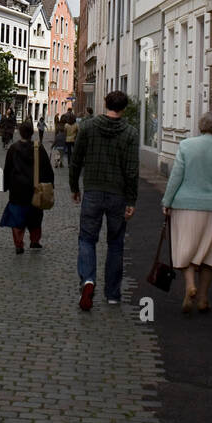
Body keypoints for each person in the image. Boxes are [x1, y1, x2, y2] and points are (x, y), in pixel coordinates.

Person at [161, 112, 212, 314]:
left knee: (186, 247)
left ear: (200, 126)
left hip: (185, 204)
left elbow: (176, 176)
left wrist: (167, 201)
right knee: (210, 251)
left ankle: (189, 285)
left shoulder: (186, 146)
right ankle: (204, 297)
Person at [70, 90, 138, 310]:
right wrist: (131, 200)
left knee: (87, 239)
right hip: (118, 194)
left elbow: (76, 159)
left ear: (104, 103)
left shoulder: (88, 127)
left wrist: (74, 187)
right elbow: (131, 170)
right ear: (124, 108)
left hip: (92, 190)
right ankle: (112, 294)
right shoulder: (130, 133)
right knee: (116, 244)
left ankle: (88, 280)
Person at [0, 119, 54, 253]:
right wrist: (50, 185)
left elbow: (8, 169)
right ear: (31, 133)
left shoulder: (13, 148)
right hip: (35, 188)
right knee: (35, 216)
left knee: (17, 216)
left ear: (20, 133)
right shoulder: (38, 147)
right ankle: (35, 241)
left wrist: (5, 185)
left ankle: (19, 243)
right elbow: (47, 168)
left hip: (17, 189)